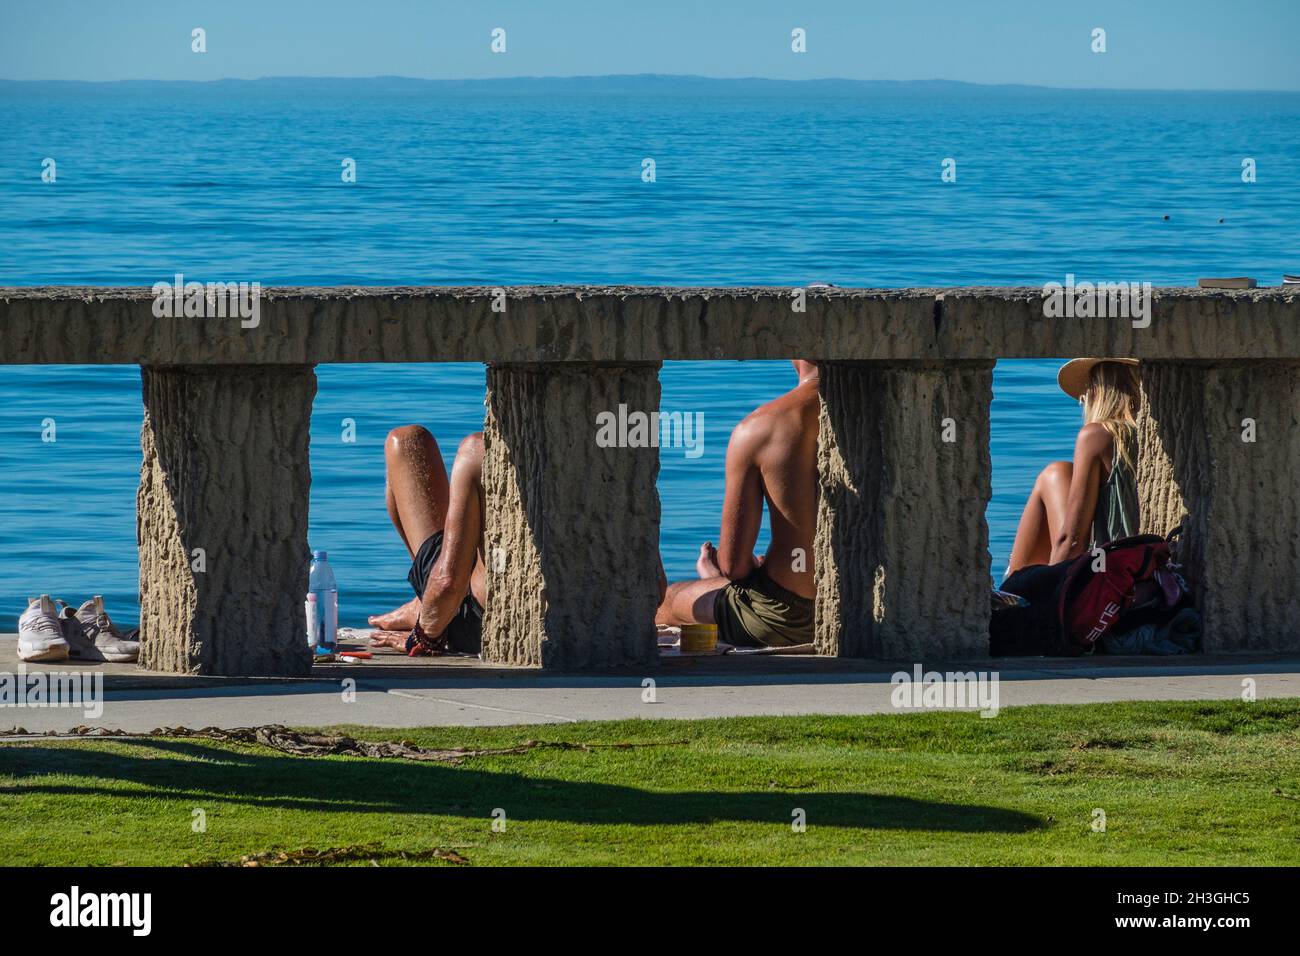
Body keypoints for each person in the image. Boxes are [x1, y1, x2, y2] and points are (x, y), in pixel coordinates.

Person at [655, 360, 819, 647]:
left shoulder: (760, 427)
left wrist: (723, 577)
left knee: (668, 602)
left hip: (785, 616)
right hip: (869, 605)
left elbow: (734, 566)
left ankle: (714, 587)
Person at [1004, 358, 1141, 580]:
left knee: (1053, 474)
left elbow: (1072, 541)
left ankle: (1011, 592)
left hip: (1107, 573)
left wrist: (1053, 594)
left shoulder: (1099, 434)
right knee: (1063, 472)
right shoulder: (1153, 435)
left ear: (1098, 390)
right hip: (1145, 566)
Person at [367, 425, 487, 656]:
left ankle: (427, 604)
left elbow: (447, 582)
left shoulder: (479, 451)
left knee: (404, 443)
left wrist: (424, 637)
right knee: (412, 440)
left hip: (476, 621)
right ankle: (423, 601)